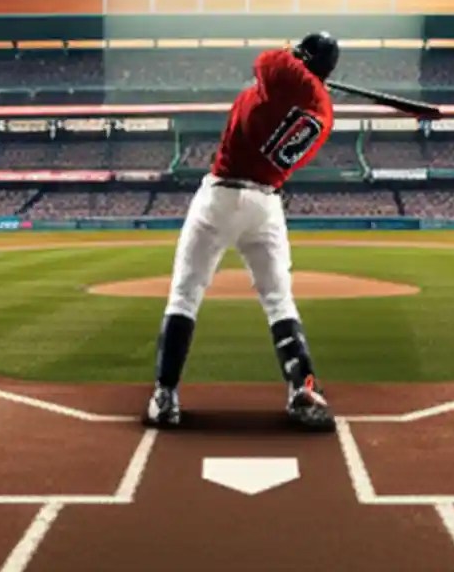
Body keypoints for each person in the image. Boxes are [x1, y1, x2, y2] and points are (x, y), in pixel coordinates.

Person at [143, 32, 340, 432]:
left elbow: (267, 59)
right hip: (266, 204)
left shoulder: (284, 74)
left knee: (185, 294)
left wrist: (294, 56)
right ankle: (303, 390)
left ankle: (165, 396)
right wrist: (315, 79)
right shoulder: (323, 109)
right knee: (279, 301)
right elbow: (291, 84)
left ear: (302, 59)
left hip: (220, 197)